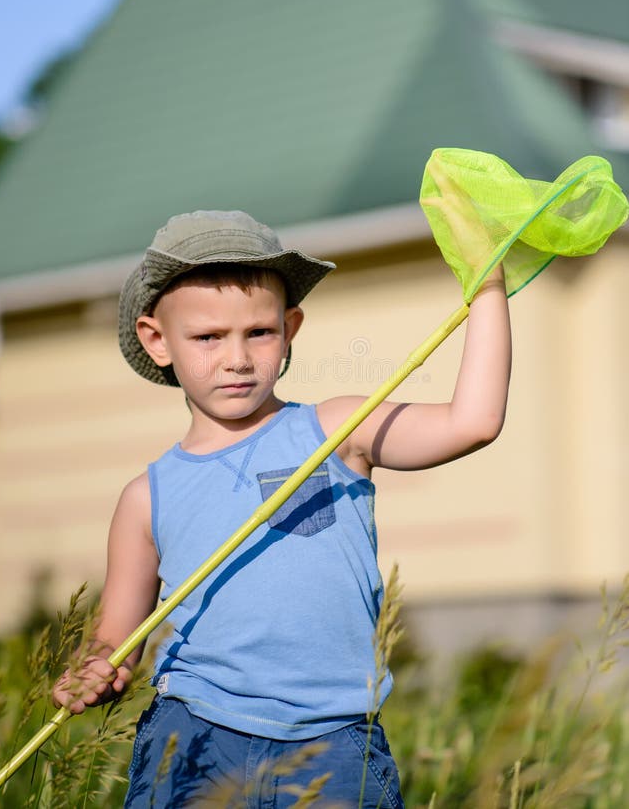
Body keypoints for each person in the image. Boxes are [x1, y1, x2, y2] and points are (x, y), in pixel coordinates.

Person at [53, 199, 511, 807]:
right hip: (196, 736)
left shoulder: (337, 431)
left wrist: (489, 285)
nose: (238, 358)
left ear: (289, 330)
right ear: (157, 340)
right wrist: (96, 669)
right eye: (208, 337)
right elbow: (117, 636)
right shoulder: (146, 497)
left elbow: (472, 422)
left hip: (335, 742)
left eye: (259, 332)